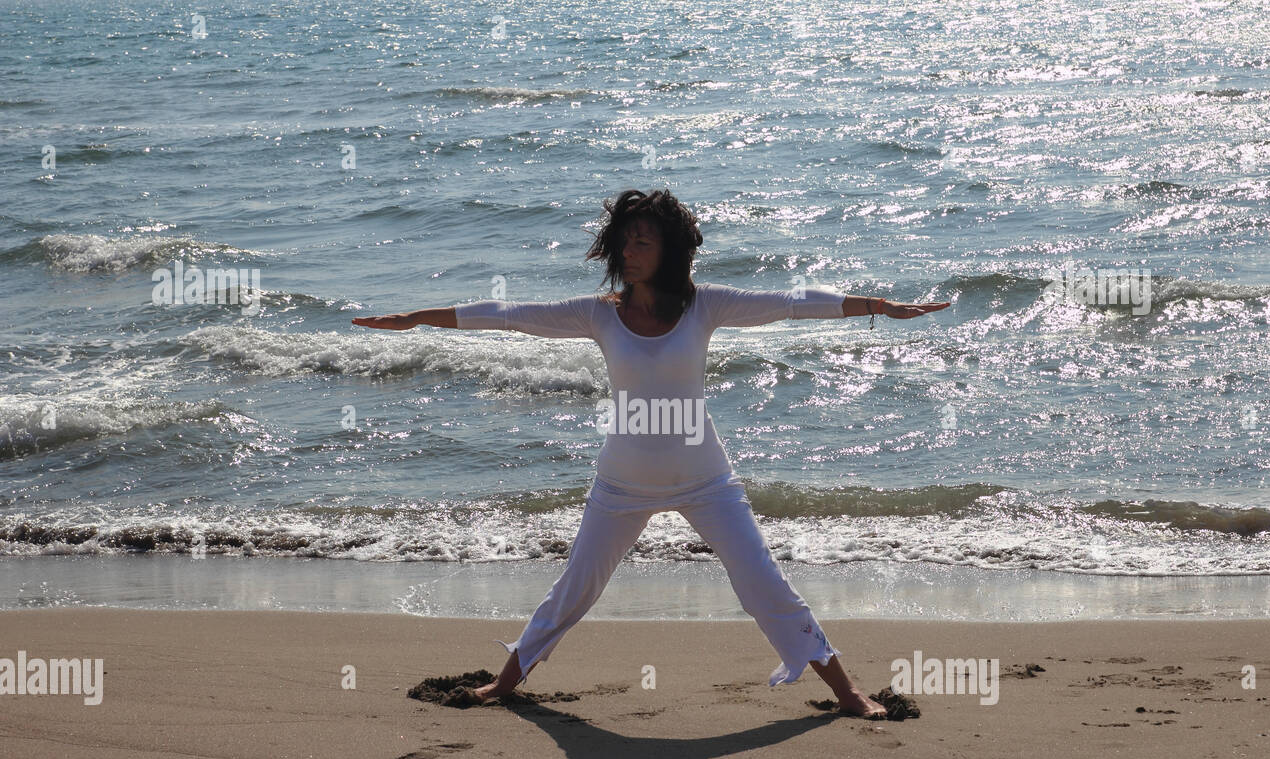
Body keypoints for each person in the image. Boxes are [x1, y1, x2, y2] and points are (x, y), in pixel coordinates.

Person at [353, 189, 949, 717]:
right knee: (574, 591)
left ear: (672, 251)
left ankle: (846, 694)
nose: (632, 250)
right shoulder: (598, 314)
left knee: (762, 583)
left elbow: (790, 302)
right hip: (621, 485)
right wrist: (417, 319)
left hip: (706, 479)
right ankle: (503, 684)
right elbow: (508, 316)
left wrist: (876, 306)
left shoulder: (706, 305)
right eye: (626, 240)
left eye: (645, 240)